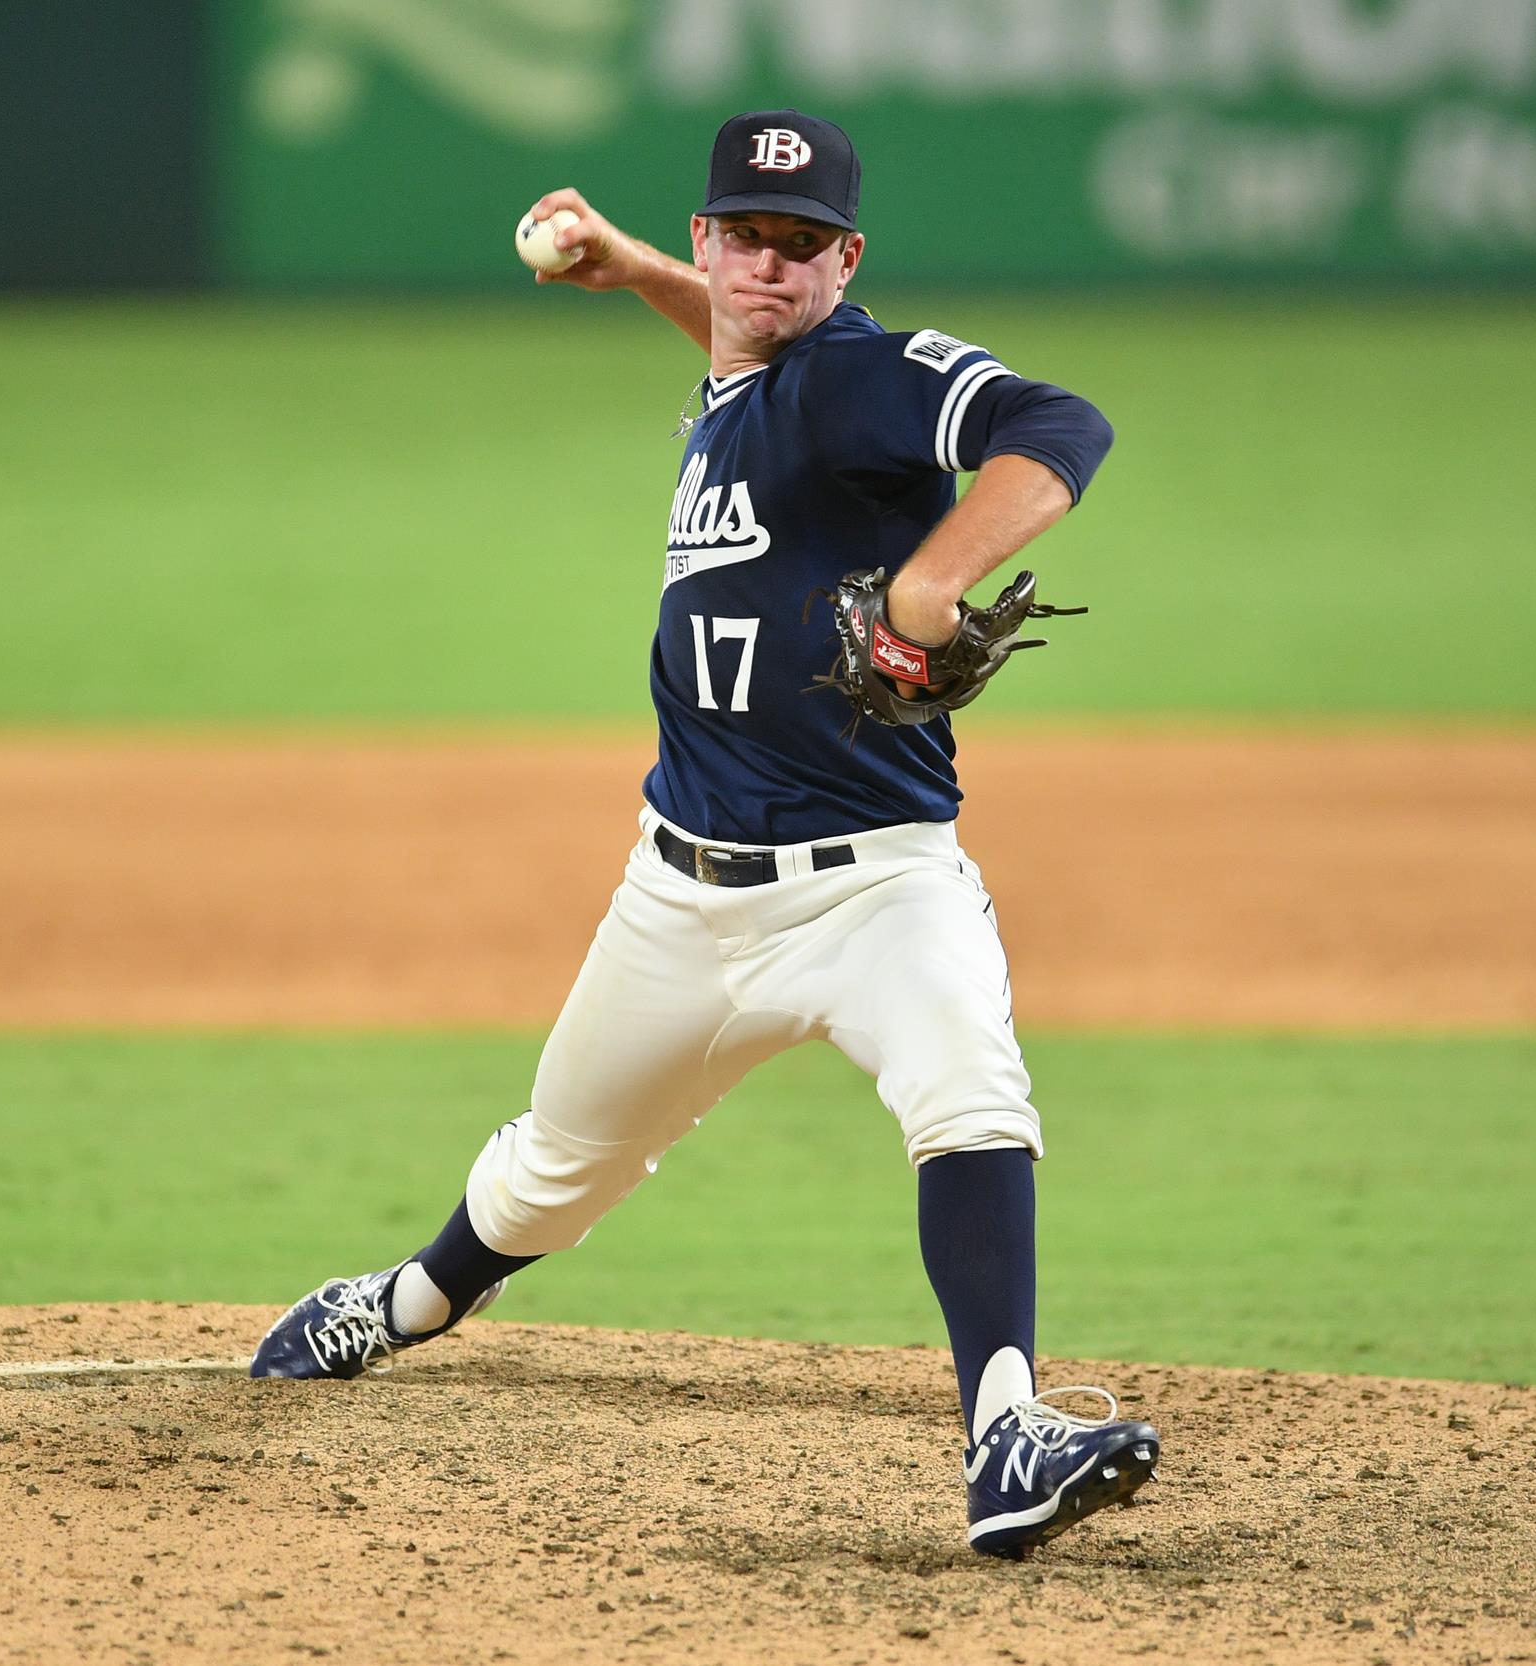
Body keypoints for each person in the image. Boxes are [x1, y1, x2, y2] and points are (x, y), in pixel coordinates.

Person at [250, 109, 1159, 1559]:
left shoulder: (859, 374)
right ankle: (409, 1300)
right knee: (553, 1166)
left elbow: (1061, 429)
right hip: (676, 900)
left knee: (970, 1090)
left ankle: (1006, 1432)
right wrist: (621, 270)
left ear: (845, 258)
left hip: (878, 885)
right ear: (708, 238)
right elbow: (739, 344)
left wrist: (930, 582)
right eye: (745, 236)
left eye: (804, 245)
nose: (770, 266)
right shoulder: (751, 369)